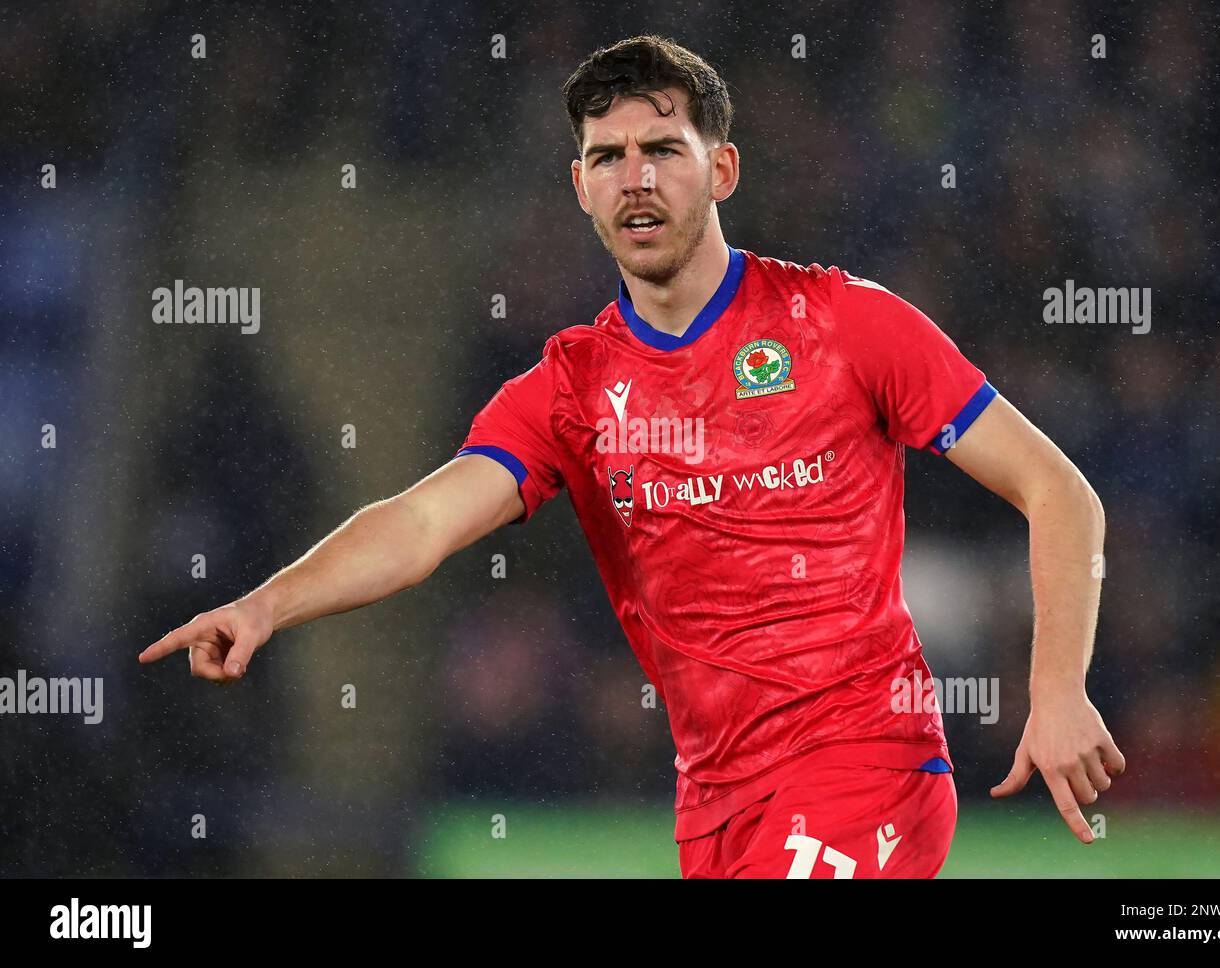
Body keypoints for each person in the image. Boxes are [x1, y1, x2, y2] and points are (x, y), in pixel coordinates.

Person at [140, 34, 1125, 878]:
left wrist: (1055, 686)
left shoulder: (844, 323)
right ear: (579, 186)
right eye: (607, 156)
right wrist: (268, 601)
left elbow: (1059, 490)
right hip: (716, 803)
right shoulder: (570, 388)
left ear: (721, 169)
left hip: (865, 767)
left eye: (662, 147)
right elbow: (424, 518)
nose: (636, 178)